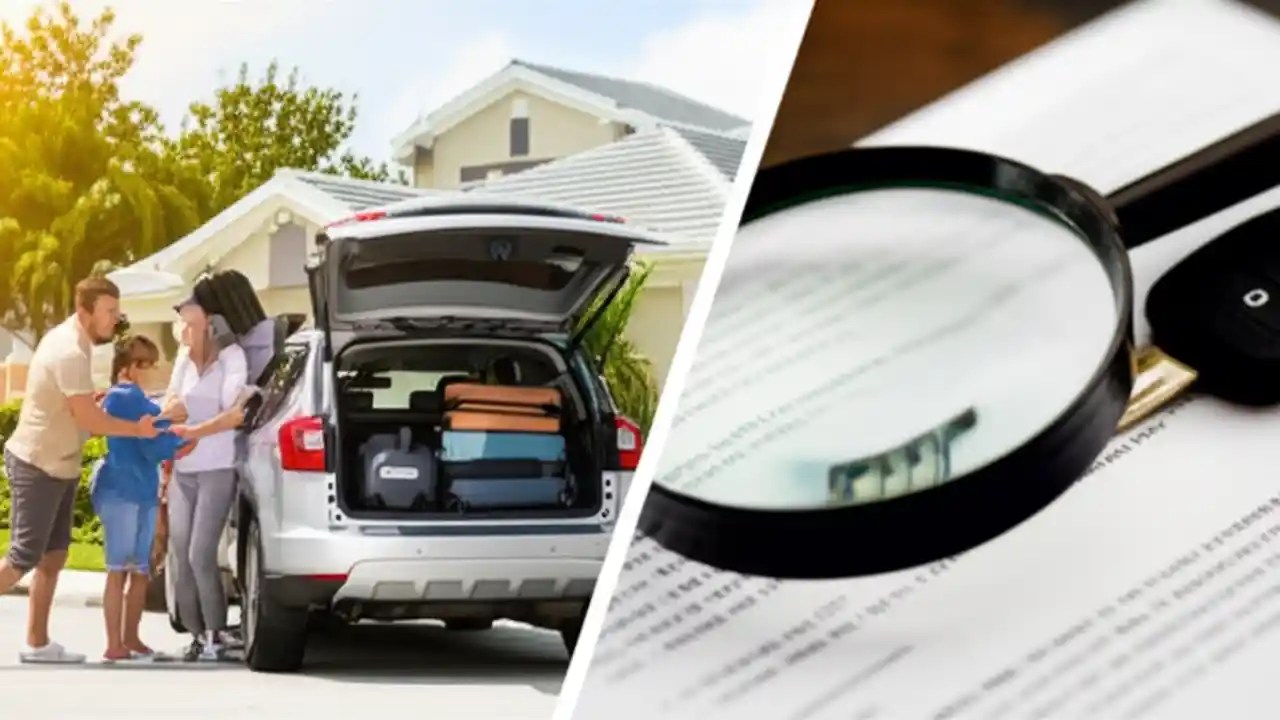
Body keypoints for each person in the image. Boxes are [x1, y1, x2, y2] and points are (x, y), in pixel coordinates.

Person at [0, 277, 165, 664]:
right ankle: (36, 642)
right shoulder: (70, 351)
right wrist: (136, 428)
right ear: (85, 310)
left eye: (116, 310)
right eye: (109, 311)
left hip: (61, 464)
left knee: (54, 556)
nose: (115, 319)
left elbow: (77, 403)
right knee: (22, 558)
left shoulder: (81, 344)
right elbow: (89, 418)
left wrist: (96, 402)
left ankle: (37, 643)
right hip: (37, 462)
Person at [91, 335, 189, 663]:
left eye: (150, 364)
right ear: (128, 367)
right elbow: (153, 432)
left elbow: (155, 434)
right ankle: (115, 643)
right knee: (121, 569)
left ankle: (129, 639)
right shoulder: (122, 397)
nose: (148, 371)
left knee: (138, 570)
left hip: (140, 490)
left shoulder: (130, 398)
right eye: (143, 365)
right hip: (123, 491)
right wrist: (175, 427)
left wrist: (172, 430)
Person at [163, 296, 248, 661]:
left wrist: (195, 428)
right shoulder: (183, 361)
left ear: (210, 326)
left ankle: (216, 632)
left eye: (190, 323)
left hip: (217, 466)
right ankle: (197, 635)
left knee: (201, 553)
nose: (183, 330)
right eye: (181, 322)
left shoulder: (232, 359)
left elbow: (232, 412)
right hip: (185, 468)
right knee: (179, 554)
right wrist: (178, 414)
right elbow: (170, 401)